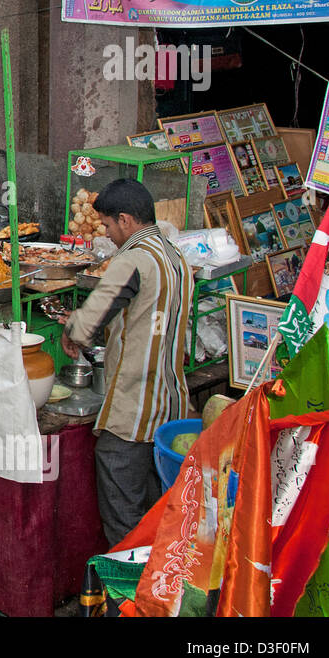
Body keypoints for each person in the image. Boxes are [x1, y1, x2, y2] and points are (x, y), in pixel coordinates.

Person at [59, 179, 194, 546]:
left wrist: (73, 331)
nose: (107, 234)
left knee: (124, 521)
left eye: (107, 225)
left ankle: (127, 599)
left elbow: (95, 313)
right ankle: (160, 592)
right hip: (172, 406)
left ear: (126, 220)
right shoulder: (174, 255)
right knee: (159, 513)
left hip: (134, 414)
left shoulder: (133, 258)